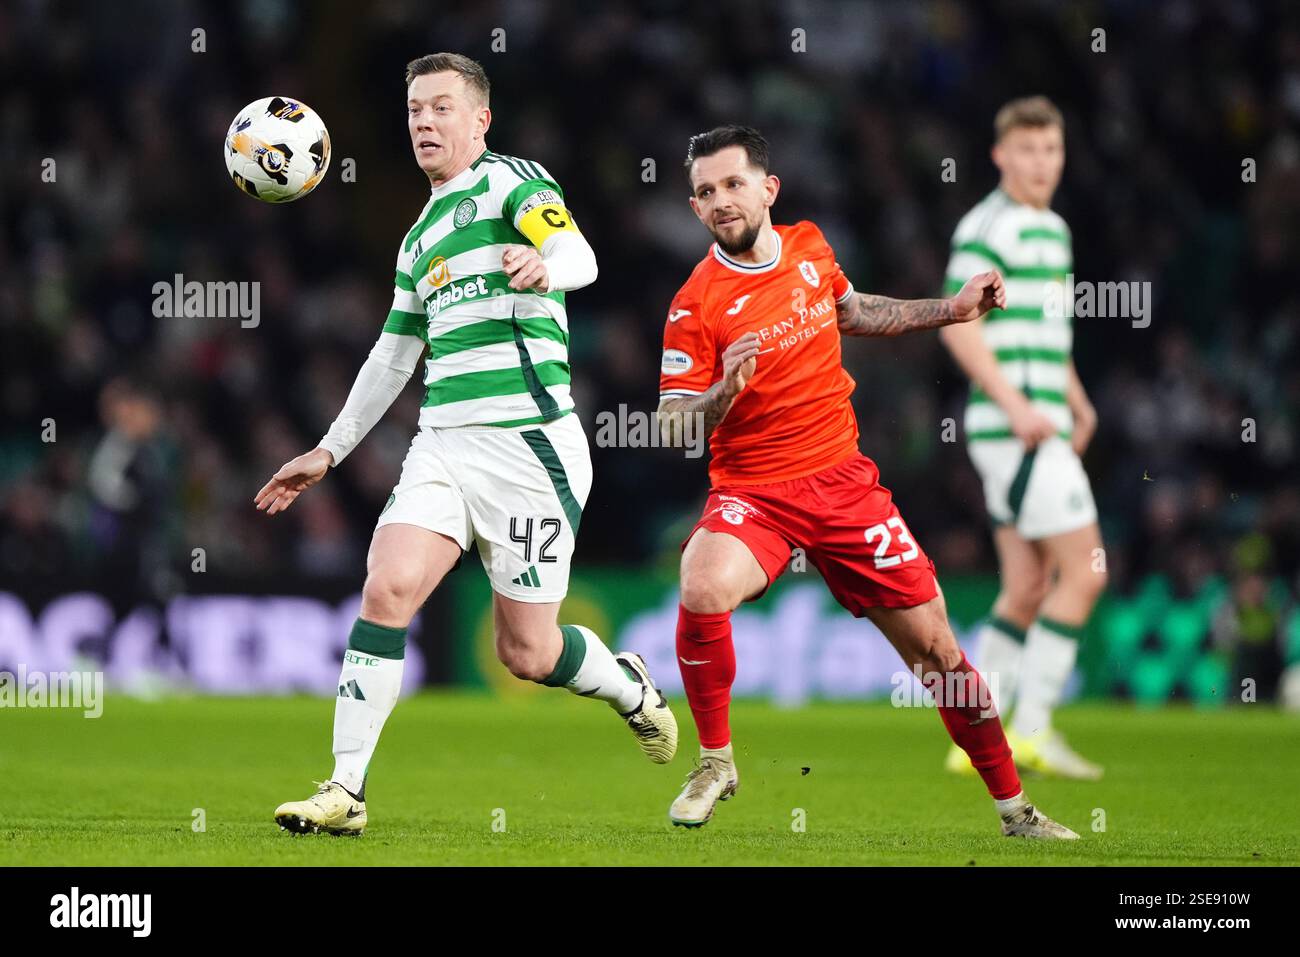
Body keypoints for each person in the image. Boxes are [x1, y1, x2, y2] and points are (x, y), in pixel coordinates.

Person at [259, 53, 676, 836]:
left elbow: (581, 255)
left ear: (479, 120)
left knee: (527, 651)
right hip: (443, 443)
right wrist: (330, 449)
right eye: (415, 108)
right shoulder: (417, 237)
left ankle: (626, 686)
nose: (424, 121)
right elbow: (393, 354)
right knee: (387, 588)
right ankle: (346, 790)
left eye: (442, 107)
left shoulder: (515, 182)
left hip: (529, 447)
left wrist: (543, 262)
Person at [656, 124, 1076, 838]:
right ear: (695, 209)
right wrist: (722, 392)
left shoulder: (812, 247)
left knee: (939, 653)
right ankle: (716, 759)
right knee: (700, 581)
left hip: (843, 486)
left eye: (733, 184)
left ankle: (1016, 809)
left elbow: (852, 312)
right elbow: (669, 424)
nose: (721, 201)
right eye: (705, 192)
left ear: (767, 187)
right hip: (753, 493)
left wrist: (953, 308)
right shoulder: (695, 301)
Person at [939, 96, 1105, 781]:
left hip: (1042, 420)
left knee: (1028, 584)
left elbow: (1047, 331)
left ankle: (970, 738)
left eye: (1052, 150)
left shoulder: (1055, 231)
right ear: (1001, 155)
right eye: (1029, 150)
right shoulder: (988, 226)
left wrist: (1077, 400)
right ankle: (1031, 729)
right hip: (1018, 430)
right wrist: (1015, 405)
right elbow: (957, 321)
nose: (1042, 162)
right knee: (1089, 572)